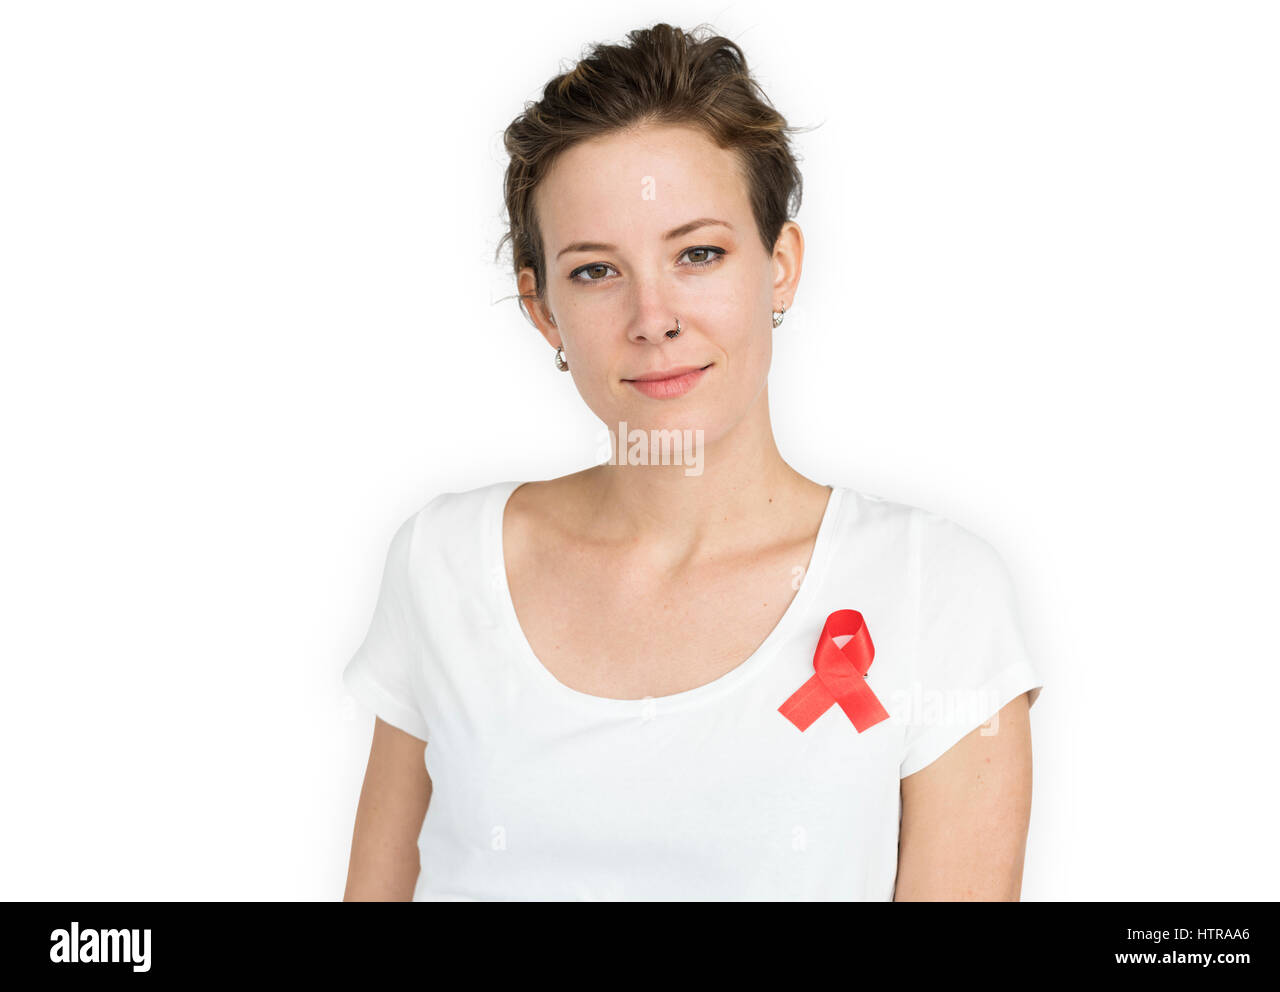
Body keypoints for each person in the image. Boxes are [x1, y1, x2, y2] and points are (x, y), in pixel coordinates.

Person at [342, 22, 1043, 901]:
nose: (654, 316)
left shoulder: (931, 589)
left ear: (779, 267)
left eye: (699, 254)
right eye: (596, 271)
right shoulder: (442, 562)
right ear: (542, 309)